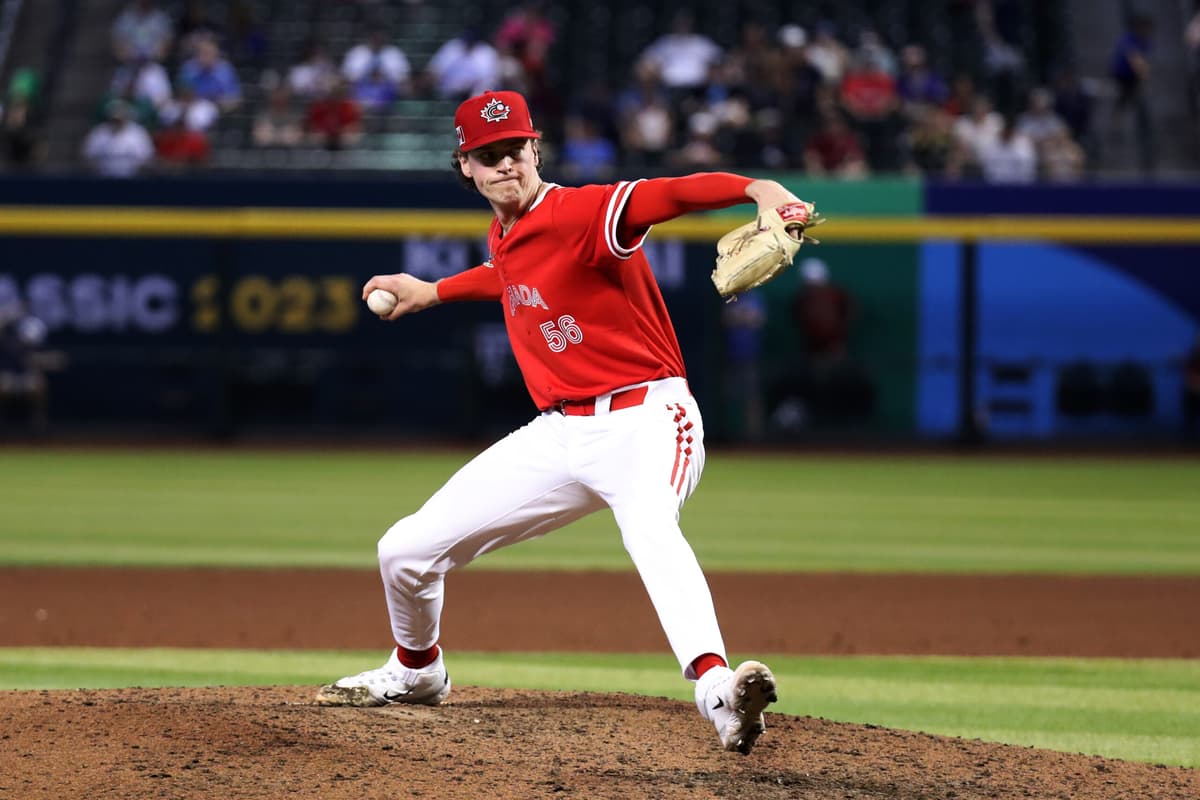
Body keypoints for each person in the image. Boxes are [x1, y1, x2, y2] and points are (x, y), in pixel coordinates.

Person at [316, 90, 793, 755]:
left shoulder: (585, 211)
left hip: (648, 417)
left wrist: (758, 189)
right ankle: (417, 672)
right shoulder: (506, 232)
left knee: (650, 528)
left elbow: (672, 194)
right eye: (488, 156)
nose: (504, 165)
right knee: (404, 550)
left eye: (514, 150)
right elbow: (511, 273)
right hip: (560, 433)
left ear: (534, 149)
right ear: (466, 169)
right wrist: (434, 291)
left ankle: (720, 694)